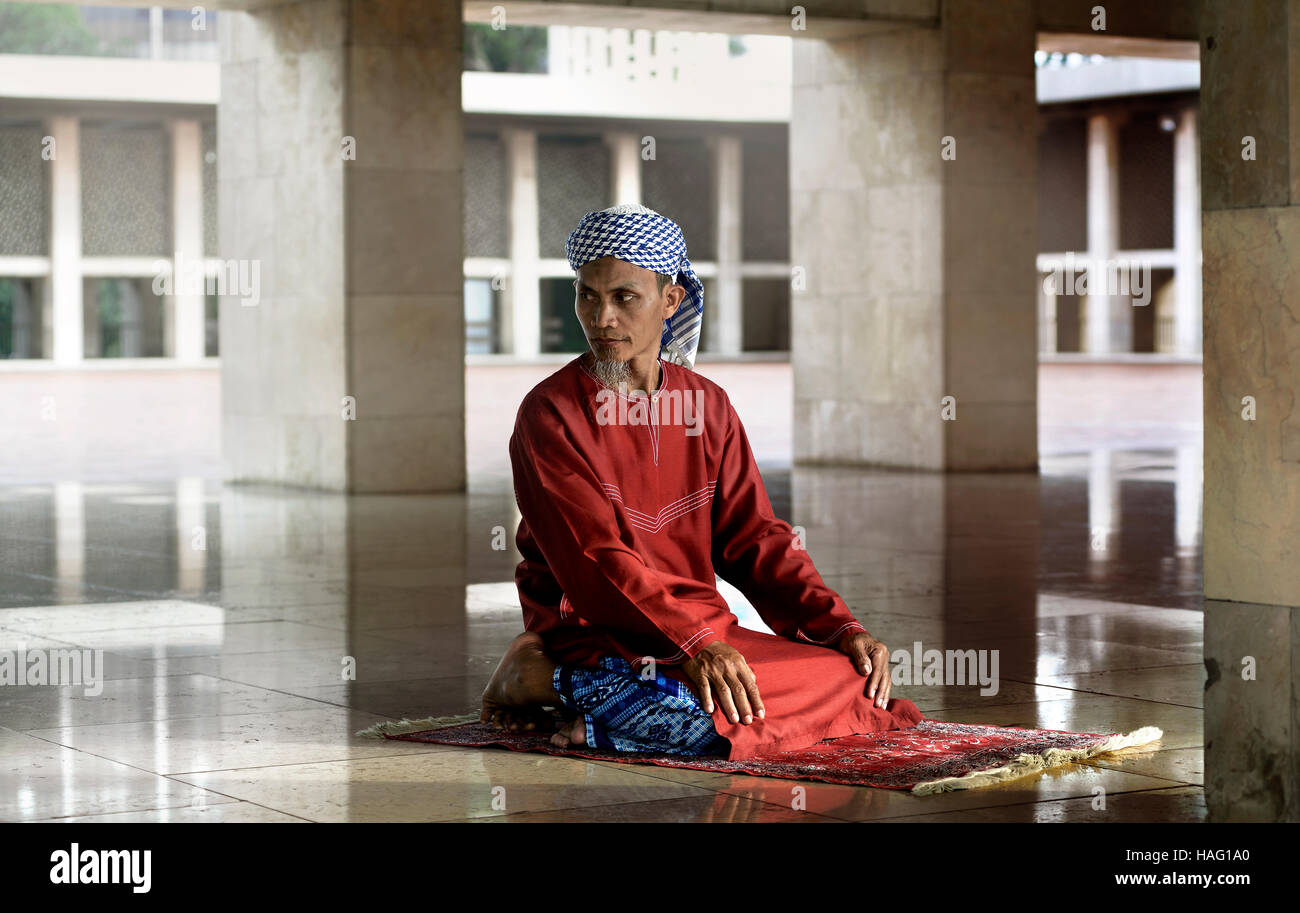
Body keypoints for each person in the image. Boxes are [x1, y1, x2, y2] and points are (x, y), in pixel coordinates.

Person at [480, 203, 922, 760]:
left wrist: (837, 627)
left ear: (671, 300)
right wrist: (690, 644)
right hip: (599, 634)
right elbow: (594, 561)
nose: (601, 317)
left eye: (623, 297)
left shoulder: (706, 406)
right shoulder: (550, 413)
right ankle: (539, 679)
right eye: (587, 295)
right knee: (702, 711)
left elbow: (755, 537)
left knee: (853, 682)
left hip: (704, 631)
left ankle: (601, 719)